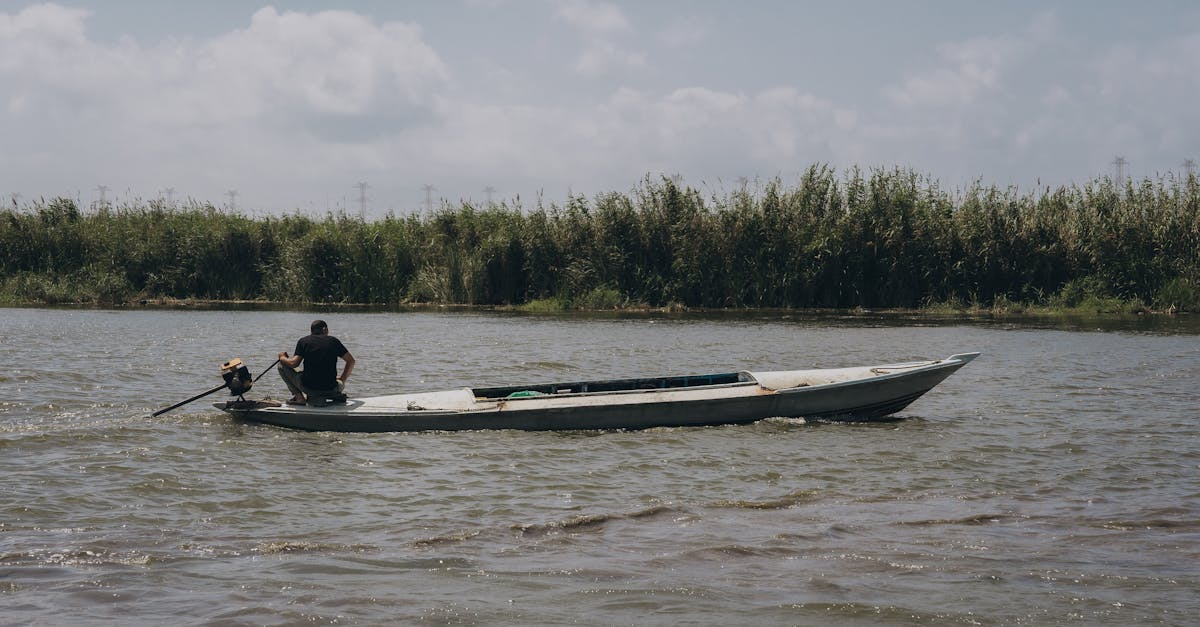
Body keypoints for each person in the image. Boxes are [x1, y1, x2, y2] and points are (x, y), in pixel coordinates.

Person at [278, 319, 355, 406]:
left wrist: (282, 357)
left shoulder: (304, 341)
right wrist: (342, 378)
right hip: (332, 388)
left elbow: (294, 363)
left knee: (281, 365)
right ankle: (332, 395)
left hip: (309, 389)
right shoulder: (334, 341)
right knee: (338, 381)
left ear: (312, 331)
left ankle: (300, 398)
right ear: (325, 329)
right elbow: (351, 361)